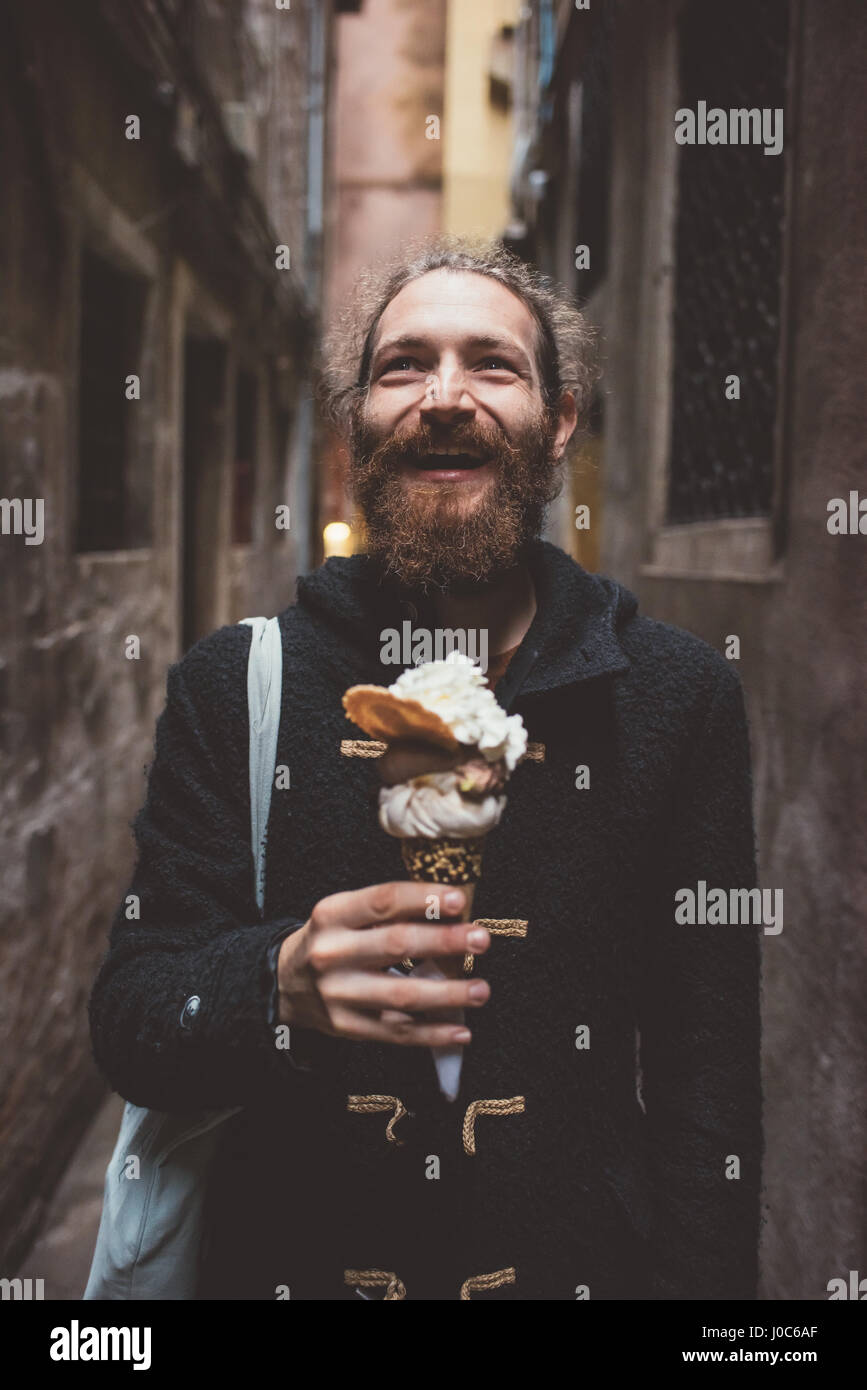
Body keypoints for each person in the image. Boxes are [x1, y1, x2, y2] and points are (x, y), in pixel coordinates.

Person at [88, 238, 762, 1300]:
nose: (446, 396)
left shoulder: (678, 699)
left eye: (492, 364)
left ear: (562, 420)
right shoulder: (236, 684)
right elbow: (134, 1015)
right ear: (358, 424)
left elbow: (706, 1084)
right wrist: (273, 984)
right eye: (403, 365)